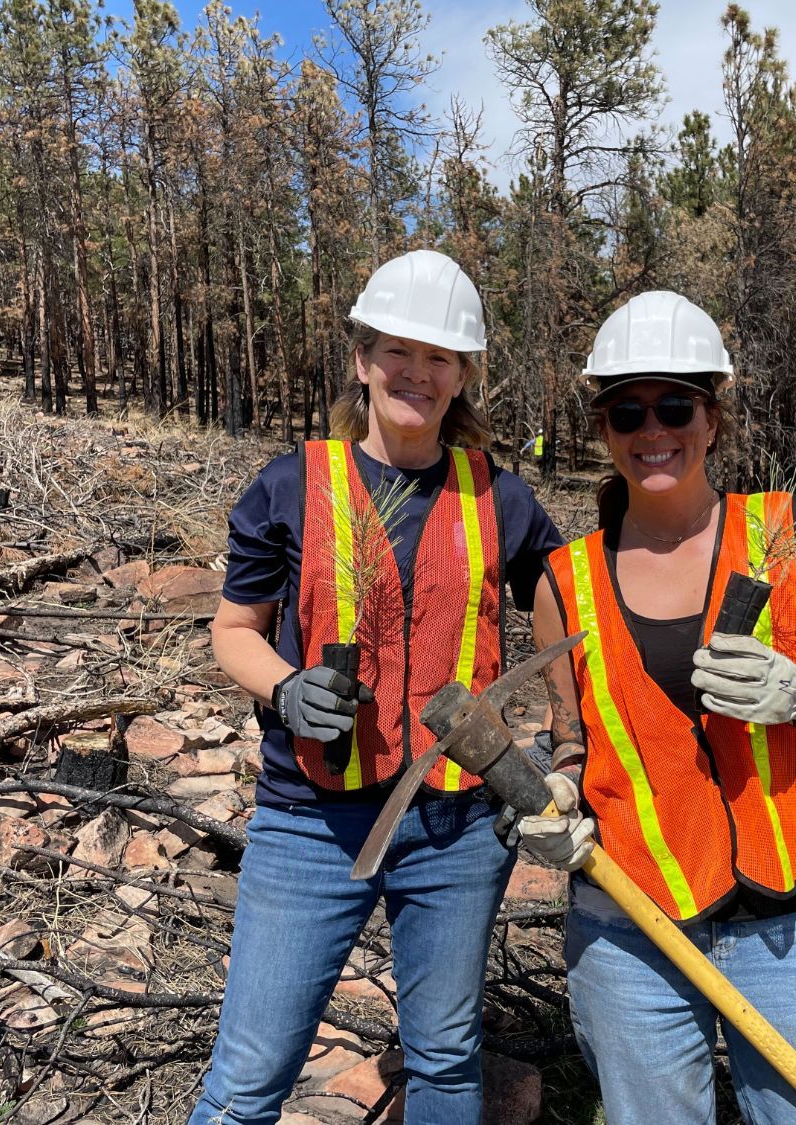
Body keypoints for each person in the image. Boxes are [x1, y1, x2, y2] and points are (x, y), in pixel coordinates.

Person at [513, 291, 796, 1125]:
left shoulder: (795, 534)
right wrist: (558, 797)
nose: (652, 429)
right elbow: (574, 742)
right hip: (630, 926)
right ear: (604, 428)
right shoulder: (565, 581)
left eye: (675, 406)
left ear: (713, 417)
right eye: (628, 412)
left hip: (791, 918)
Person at [191, 249, 565, 1125]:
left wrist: (562, 750)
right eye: (398, 350)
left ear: (462, 375)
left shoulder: (501, 499)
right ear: (362, 359)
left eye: (440, 357)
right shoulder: (292, 485)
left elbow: (565, 621)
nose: (417, 373)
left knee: (445, 1058)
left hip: (456, 824)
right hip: (310, 820)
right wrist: (286, 689)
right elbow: (234, 631)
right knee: (247, 1079)